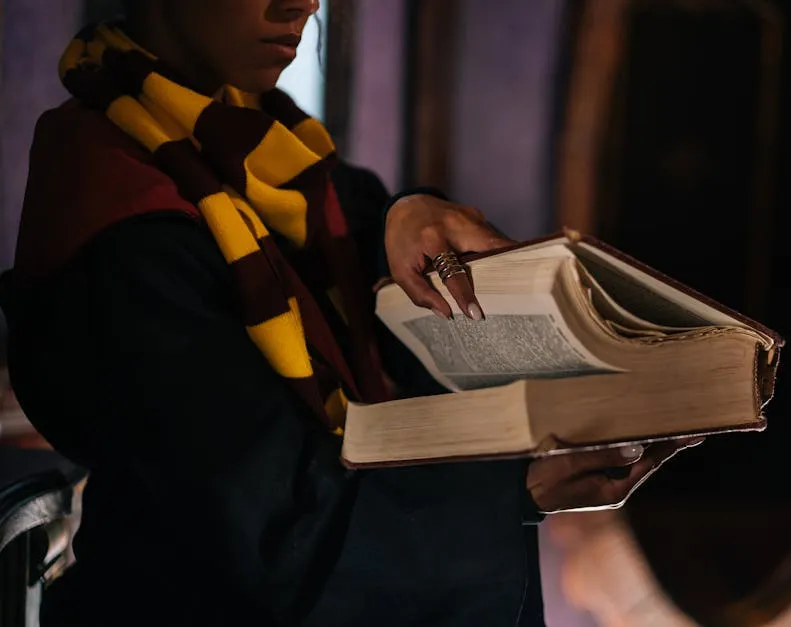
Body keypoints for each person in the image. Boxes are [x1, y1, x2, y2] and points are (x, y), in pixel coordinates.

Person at [0, 1, 702, 625]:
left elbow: (355, 233)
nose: (301, 5)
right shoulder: (120, 217)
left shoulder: (269, 156)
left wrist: (407, 212)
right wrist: (514, 490)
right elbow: (272, 533)